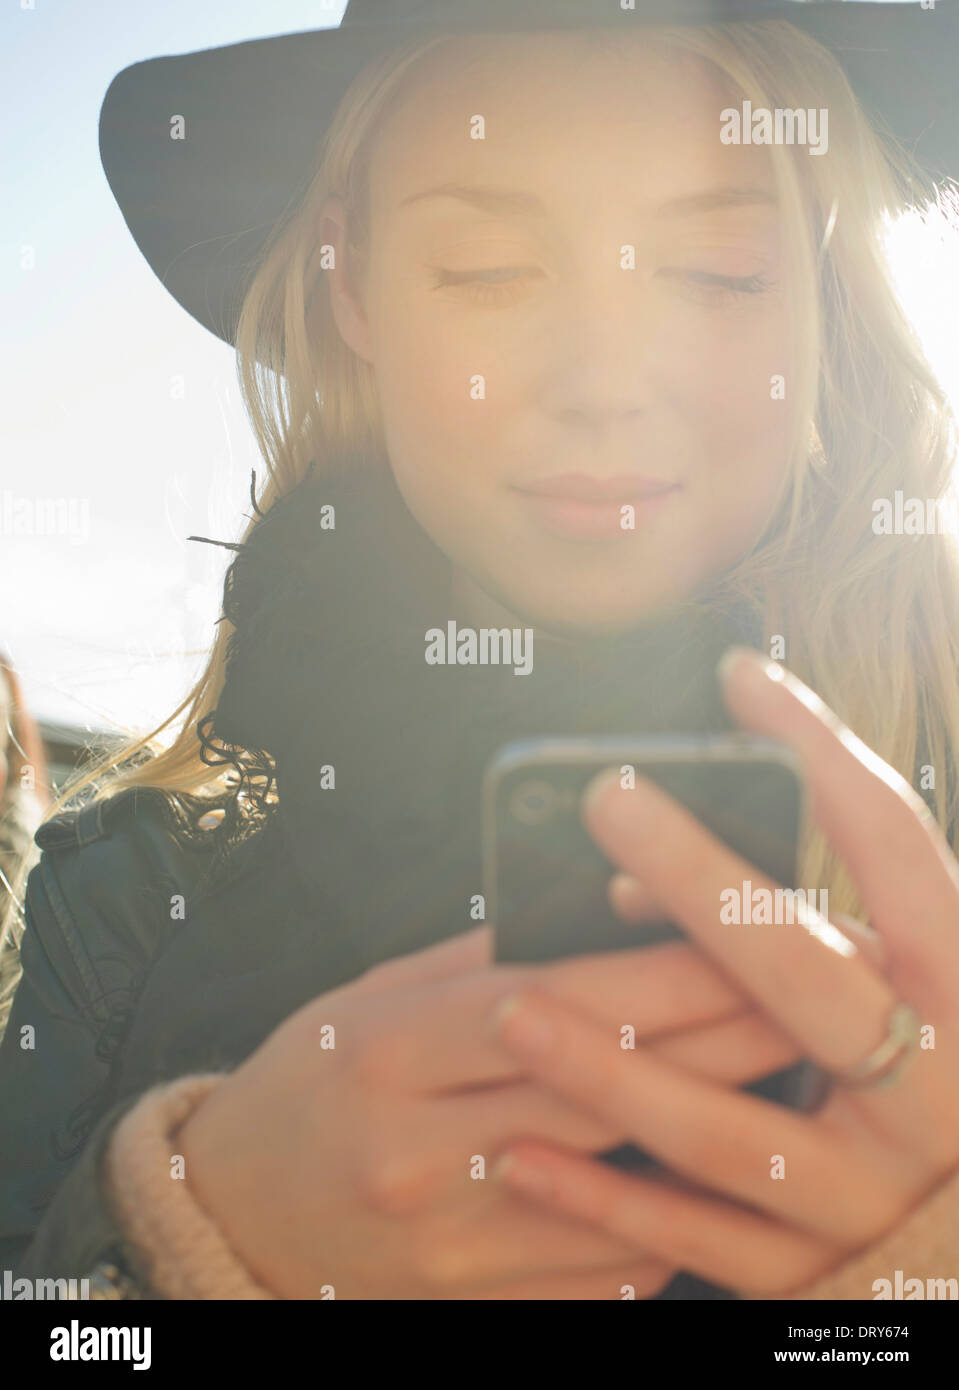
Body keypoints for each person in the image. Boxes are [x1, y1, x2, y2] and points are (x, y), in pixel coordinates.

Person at [3, 0, 959, 1300]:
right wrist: (176, 1248)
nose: (608, 378)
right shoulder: (117, 908)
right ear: (353, 287)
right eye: (490, 269)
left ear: (821, 299)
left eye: (722, 267)